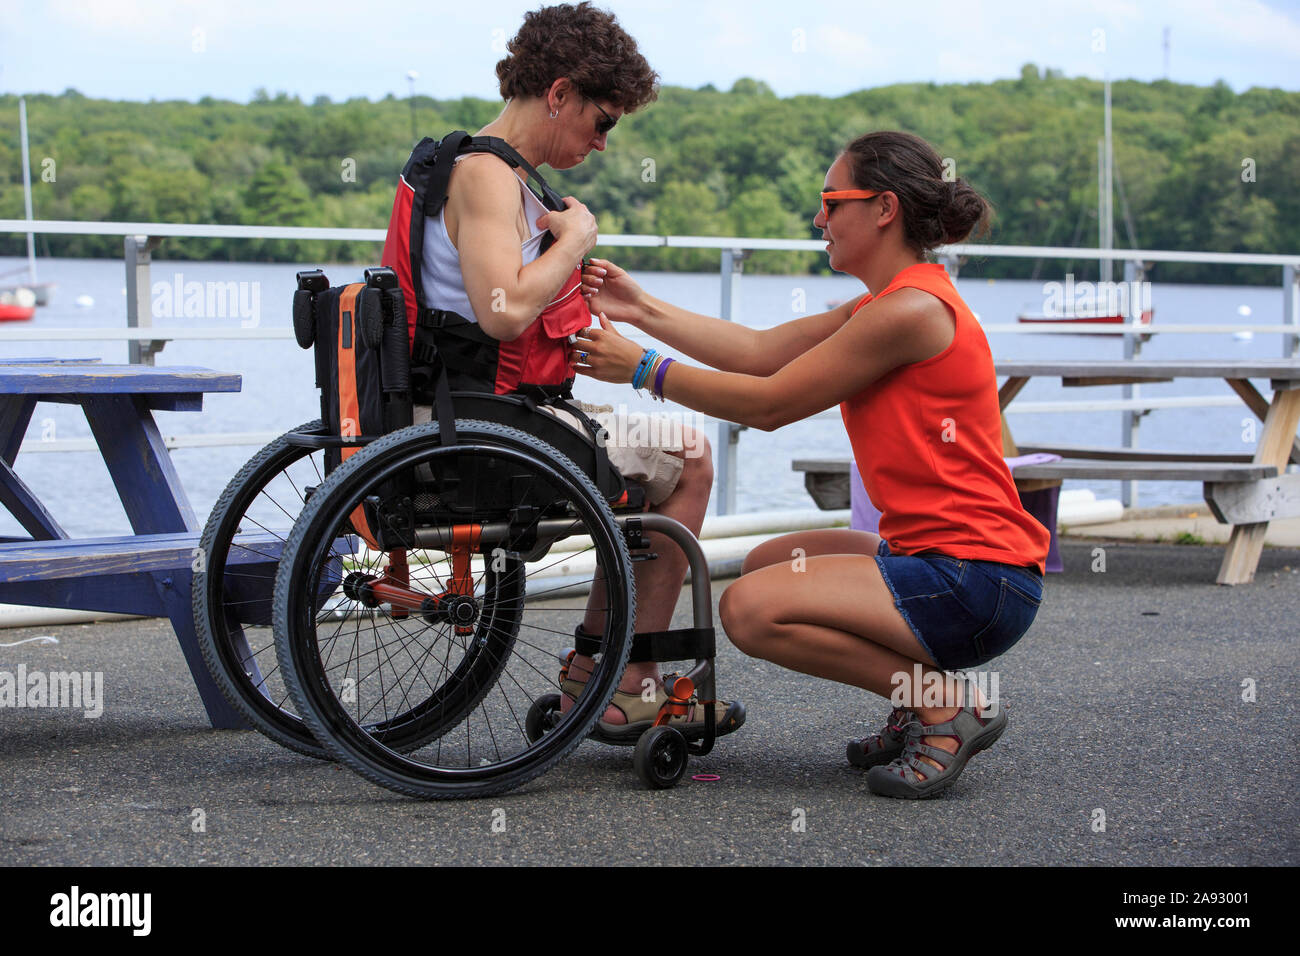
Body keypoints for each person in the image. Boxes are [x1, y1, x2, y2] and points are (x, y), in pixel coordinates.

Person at [572, 130, 1049, 797]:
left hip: (974, 580)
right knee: (772, 563)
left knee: (752, 609)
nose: (819, 218)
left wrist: (646, 370)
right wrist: (639, 308)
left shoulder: (910, 311)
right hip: (947, 561)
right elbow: (763, 351)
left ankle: (943, 703)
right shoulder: (890, 300)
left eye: (832, 201)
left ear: (883, 209)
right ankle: (920, 702)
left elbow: (769, 405)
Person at [412, 2, 743, 738]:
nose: (602, 142)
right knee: (689, 457)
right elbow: (502, 314)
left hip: (454, 410)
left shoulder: (447, 168)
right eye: (603, 121)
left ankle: (593, 668)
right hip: (487, 429)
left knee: (643, 451)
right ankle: (626, 679)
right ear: (558, 93)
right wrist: (578, 238)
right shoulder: (489, 177)